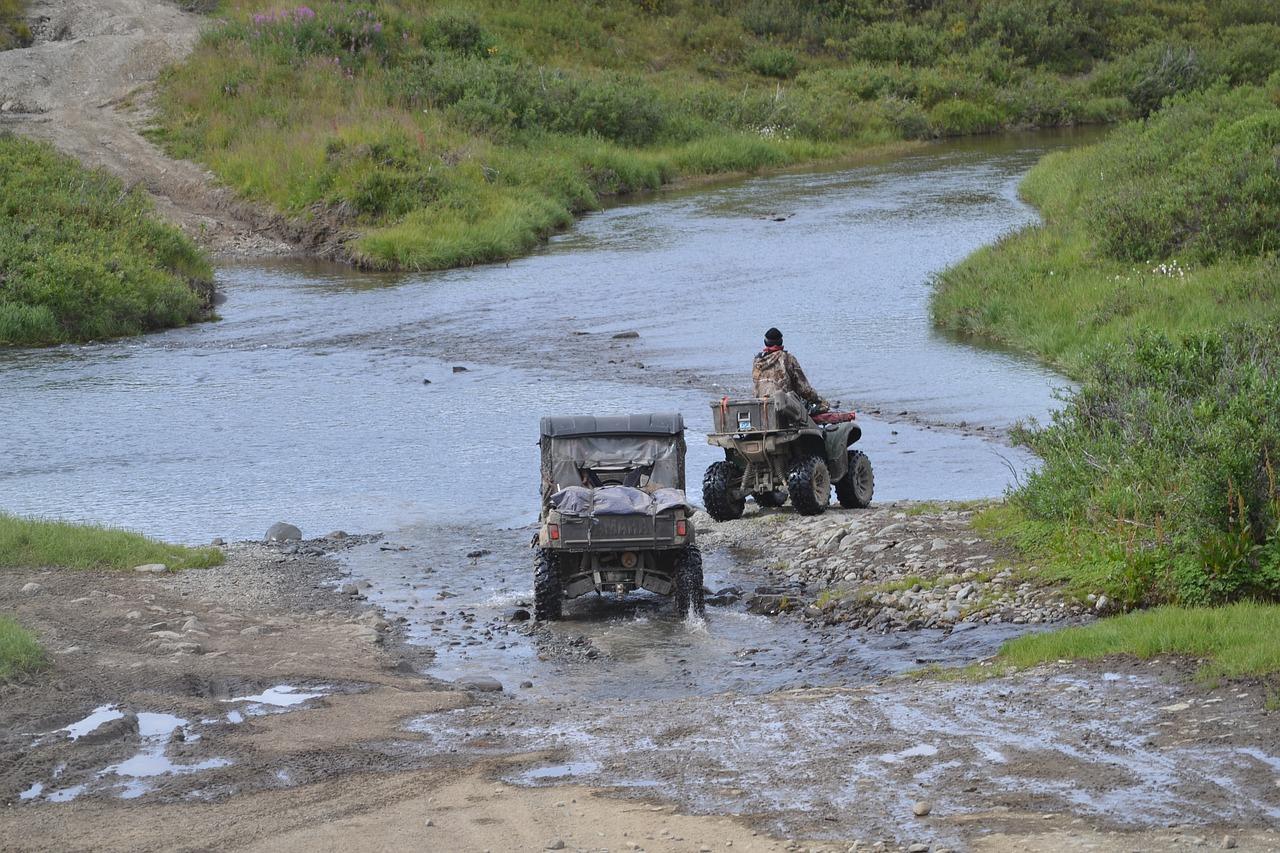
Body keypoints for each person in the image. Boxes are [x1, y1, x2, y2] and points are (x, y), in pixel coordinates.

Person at [752, 327, 829, 414]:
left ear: (765, 342)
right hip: (784, 408)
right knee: (824, 405)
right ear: (781, 342)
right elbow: (804, 390)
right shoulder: (787, 358)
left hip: (762, 408)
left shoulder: (757, 362)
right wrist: (817, 400)